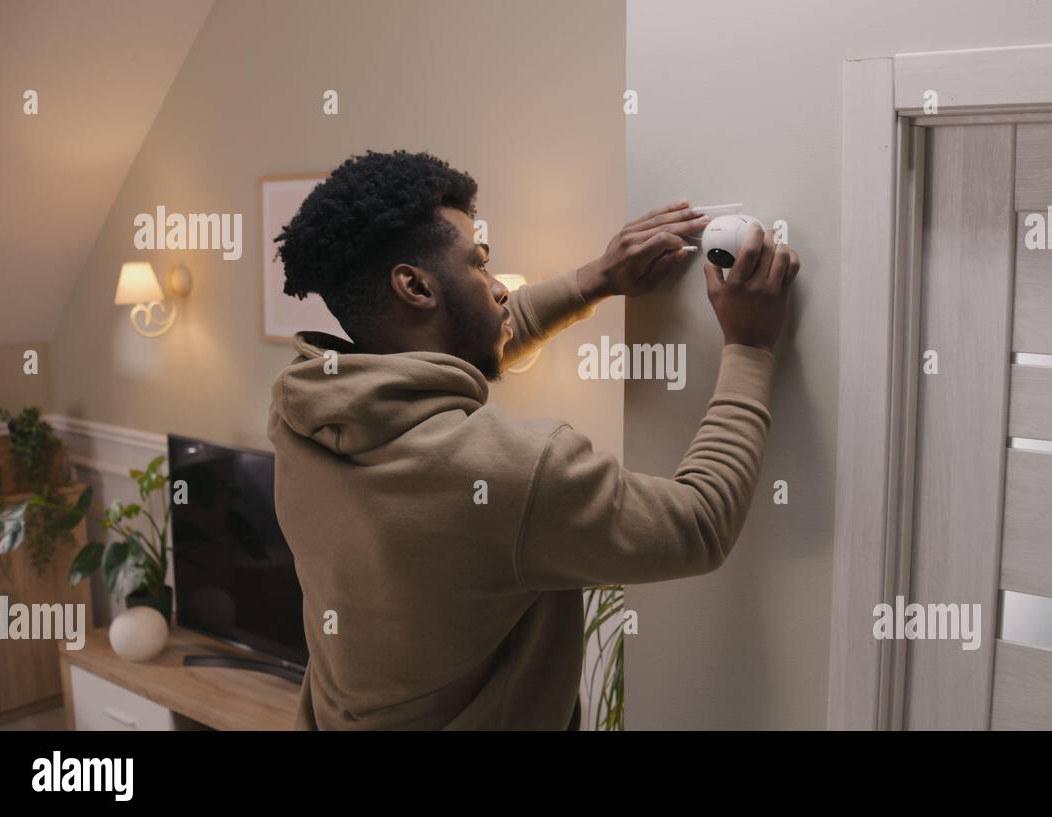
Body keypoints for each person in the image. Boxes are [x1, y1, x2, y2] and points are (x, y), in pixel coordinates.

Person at [267, 150, 799, 729]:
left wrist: (593, 280)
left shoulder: (302, 412)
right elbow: (698, 524)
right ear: (416, 287)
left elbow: (440, 362)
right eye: (479, 264)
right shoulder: (516, 475)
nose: (498, 288)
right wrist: (750, 345)